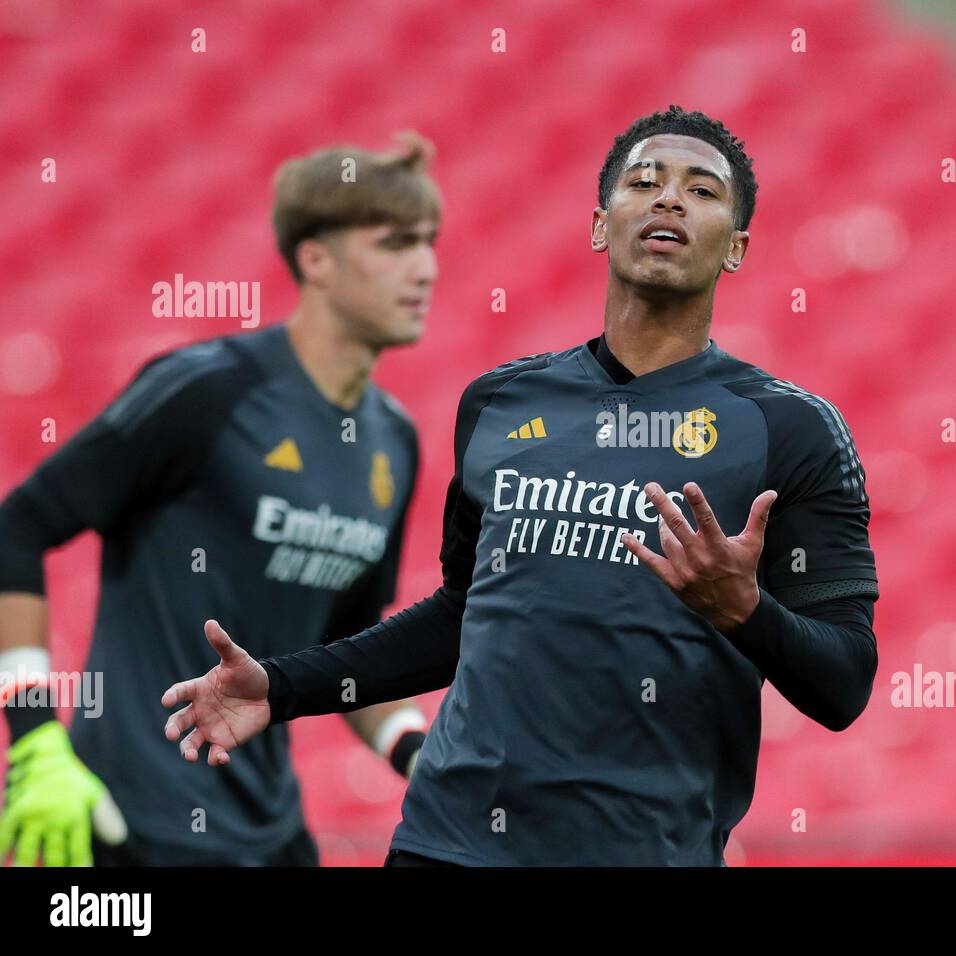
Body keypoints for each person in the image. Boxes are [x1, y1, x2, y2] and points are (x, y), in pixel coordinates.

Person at [162, 105, 881, 866]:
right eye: (645, 182)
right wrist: (279, 688)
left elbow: (844, 684)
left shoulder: (789, 429)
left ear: (735, 247)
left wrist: (746, 612)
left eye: (702, 191)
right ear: (603, 224)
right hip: (449, 844)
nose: (669, 198)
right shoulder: (500, 404)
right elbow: (460, 618)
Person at [0, 131, 441, 866]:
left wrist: (420, 756)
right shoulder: (205, 390)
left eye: (430, 243)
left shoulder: (396, 439)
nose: (425, 269)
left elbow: (352, 649)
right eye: (396, 244)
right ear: (316, 259)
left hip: (272, 841)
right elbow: (18, 527)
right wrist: (34, 736)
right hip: (126, 831)